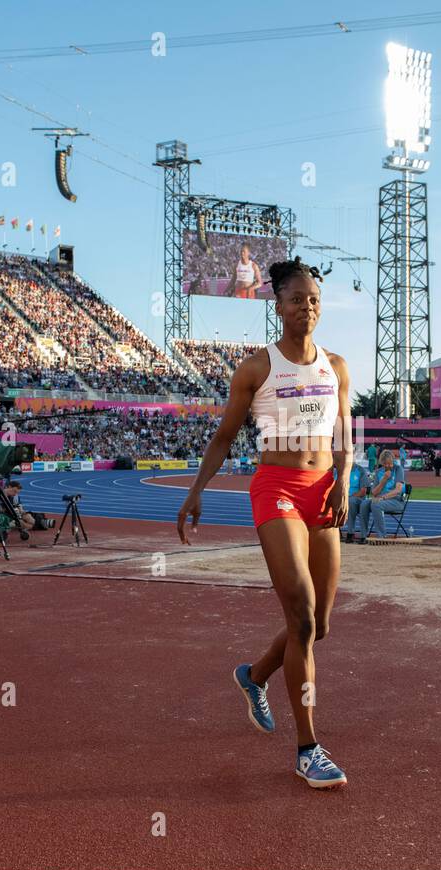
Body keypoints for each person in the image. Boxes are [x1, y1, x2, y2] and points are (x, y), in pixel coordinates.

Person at [177, 257, 351, 790]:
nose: (308, 308)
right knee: (299, 613)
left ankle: (253, 677)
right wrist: (197, 490)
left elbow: (345, 433)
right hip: (276, 489)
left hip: (324, 490)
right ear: (278, 305)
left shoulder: (337, 366)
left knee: (318, 626)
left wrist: (343, 478)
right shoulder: (256, 368)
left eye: (315, 300)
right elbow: (225, 436)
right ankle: (308, 749)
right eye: (298, 299)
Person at [360, 448, 406, 537]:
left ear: (393, 461)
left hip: (396, 501)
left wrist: (382, 498)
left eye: (390, 463)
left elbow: (398, 490)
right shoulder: (379, 472)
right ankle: (363, 535)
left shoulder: (398, 469)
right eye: (385, 464)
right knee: (364, 504)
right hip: (380, 499)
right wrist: (384, 480)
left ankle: (382, 536)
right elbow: (374, 493)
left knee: (376, 504)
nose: (388, 466)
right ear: (382, 463)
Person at [344, 455, 372, 543]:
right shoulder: (339, 470)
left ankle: (350, 533)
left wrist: (348, 497)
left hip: (357, 499)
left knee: (350, 502)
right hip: (342, 498)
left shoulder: (360, 470)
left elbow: (363, 491)